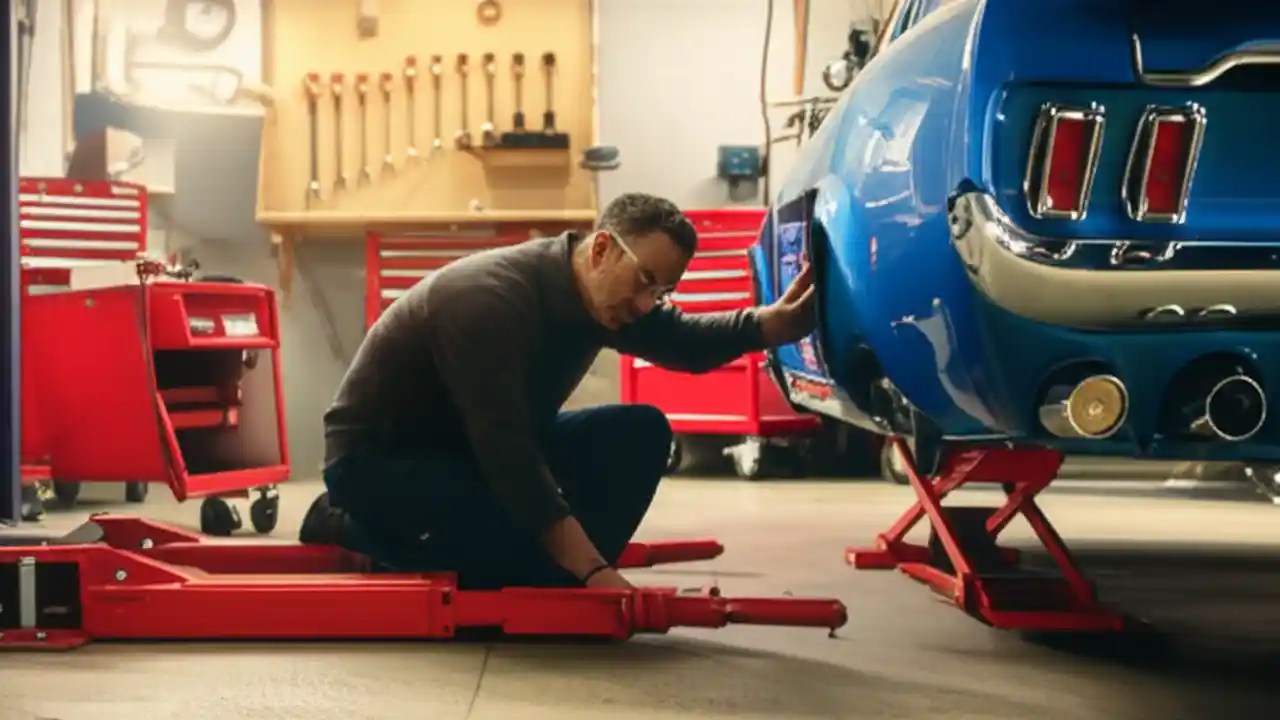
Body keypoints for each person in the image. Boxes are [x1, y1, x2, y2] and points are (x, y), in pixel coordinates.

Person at [300, 192, 816, 590]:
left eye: (661, 292)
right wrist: (592, 569)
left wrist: (771, 324)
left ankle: (554, 577)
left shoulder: (606, 296)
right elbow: (506, 452)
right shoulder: (488, 302)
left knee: (641, 432)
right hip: (380, 463)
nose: (646, 304)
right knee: (511, 531)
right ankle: (344, 523)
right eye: (645, 282)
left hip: (468, 454)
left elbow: (684, 342)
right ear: (601, 249)